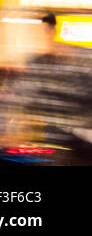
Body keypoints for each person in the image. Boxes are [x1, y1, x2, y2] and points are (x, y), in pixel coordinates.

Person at [9, 13, 92, 163]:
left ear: (53, 31)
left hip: (83, 140)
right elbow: (26, 99)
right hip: (58, 141)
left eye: (45, 31)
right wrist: (16, 129)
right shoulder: (37, 63)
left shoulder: (85, 59)